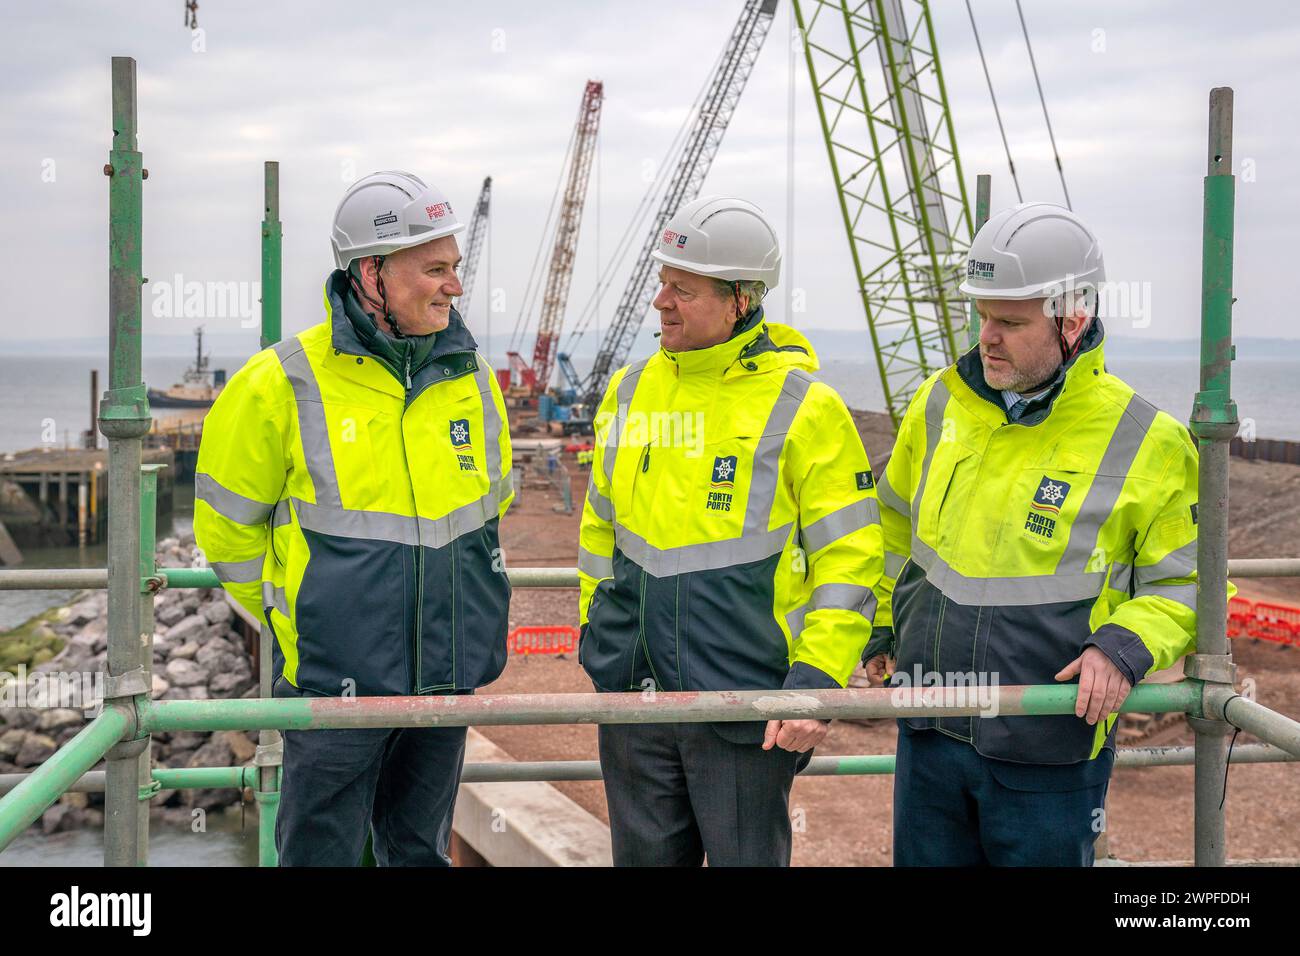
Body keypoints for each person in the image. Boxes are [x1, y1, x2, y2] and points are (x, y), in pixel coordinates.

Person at [863, 201, 1200, 866]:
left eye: (1010, 323)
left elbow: (1180, 580)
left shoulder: (1148, 441)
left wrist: (1124, 646)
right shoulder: (939, 404)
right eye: (983, 316)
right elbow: (892, 532)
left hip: (1048, 749)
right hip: (929, 728)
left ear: (1072, 319)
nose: (987, 336)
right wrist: (879, 624)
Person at [193, 170, 513, 866]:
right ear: (370, 272)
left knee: (418, 853)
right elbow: (226, 529)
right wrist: (298, 617)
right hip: (335, 686)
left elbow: (494, 504)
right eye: (434, 269)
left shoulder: (472, 376)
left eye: (454, 268)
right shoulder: (282, 381)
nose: (454, 286)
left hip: (446, 675)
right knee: (321, 854)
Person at [578, 196, 884, 866]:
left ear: (741, 300)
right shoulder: (629, 393)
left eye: (682, 289)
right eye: (662, 282)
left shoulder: (805, 407)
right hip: (634, 699)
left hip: (748, 706)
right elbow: (600, 529)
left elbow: (853, 559)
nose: (661, 301)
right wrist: (596, 636)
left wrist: (815, 679)